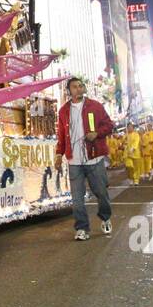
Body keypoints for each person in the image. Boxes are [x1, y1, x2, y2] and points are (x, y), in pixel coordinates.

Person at [54, 77, 115, 241]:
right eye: (75, 87)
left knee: (101, 192)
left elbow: (109, 125)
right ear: (69, 91)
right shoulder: (63, 111)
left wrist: (97, 133)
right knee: (77, 198)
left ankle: (105, 217)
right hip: (74, 161)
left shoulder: (95, 106)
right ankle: (82, 228)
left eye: (81, 86)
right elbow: (61, 136)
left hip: (94, 158)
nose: (79, 89)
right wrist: (59, 154)